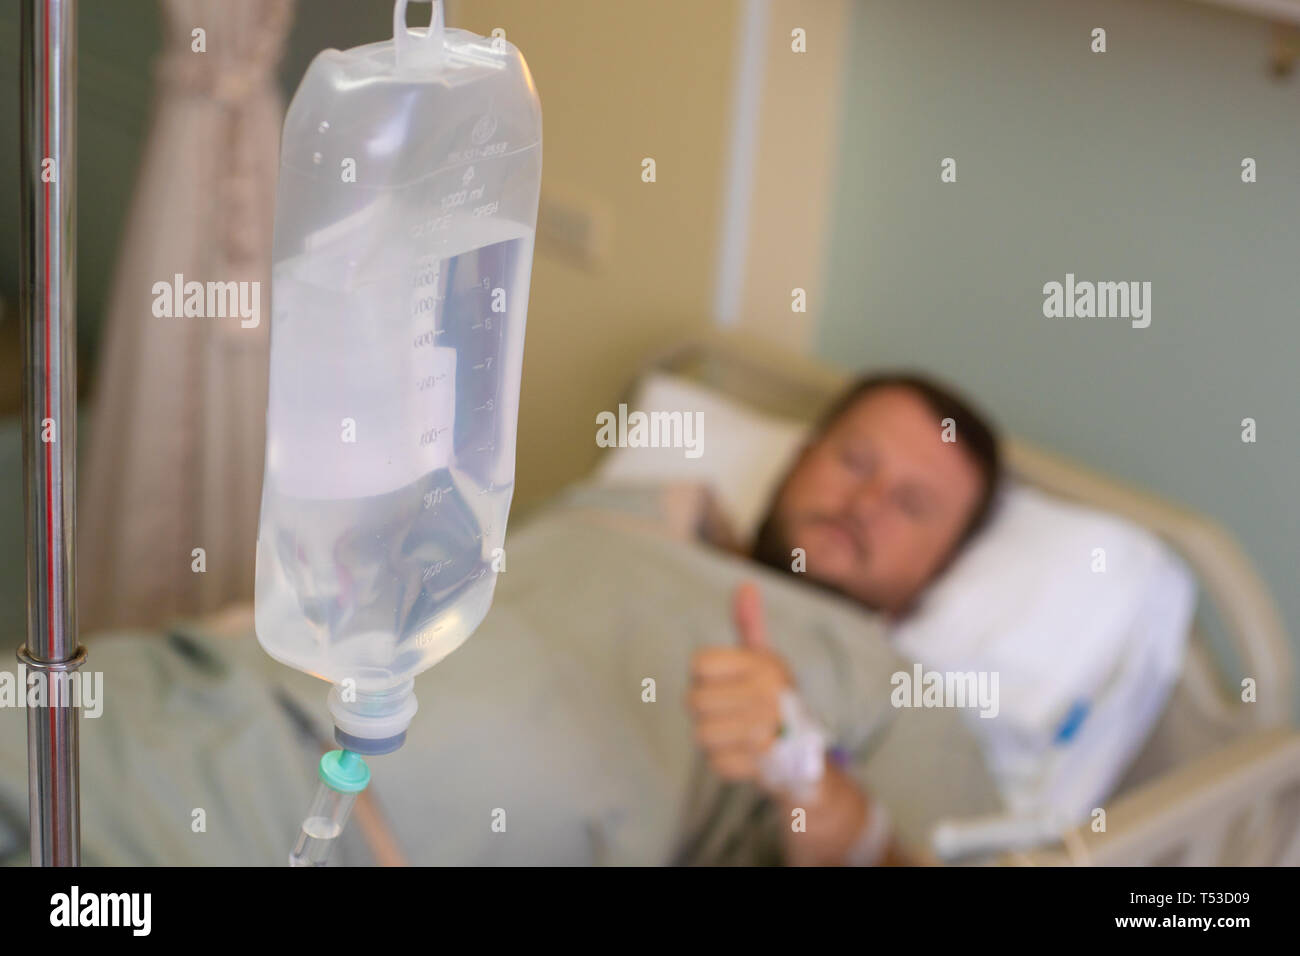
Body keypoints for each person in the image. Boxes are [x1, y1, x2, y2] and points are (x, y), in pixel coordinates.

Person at [687, 374, 1002, 865]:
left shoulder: (905, 708)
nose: (864, 503)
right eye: (855, 462)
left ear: (941, 566)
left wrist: (825, 800)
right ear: (799, 457)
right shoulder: (643, 516)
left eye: (910, 503)